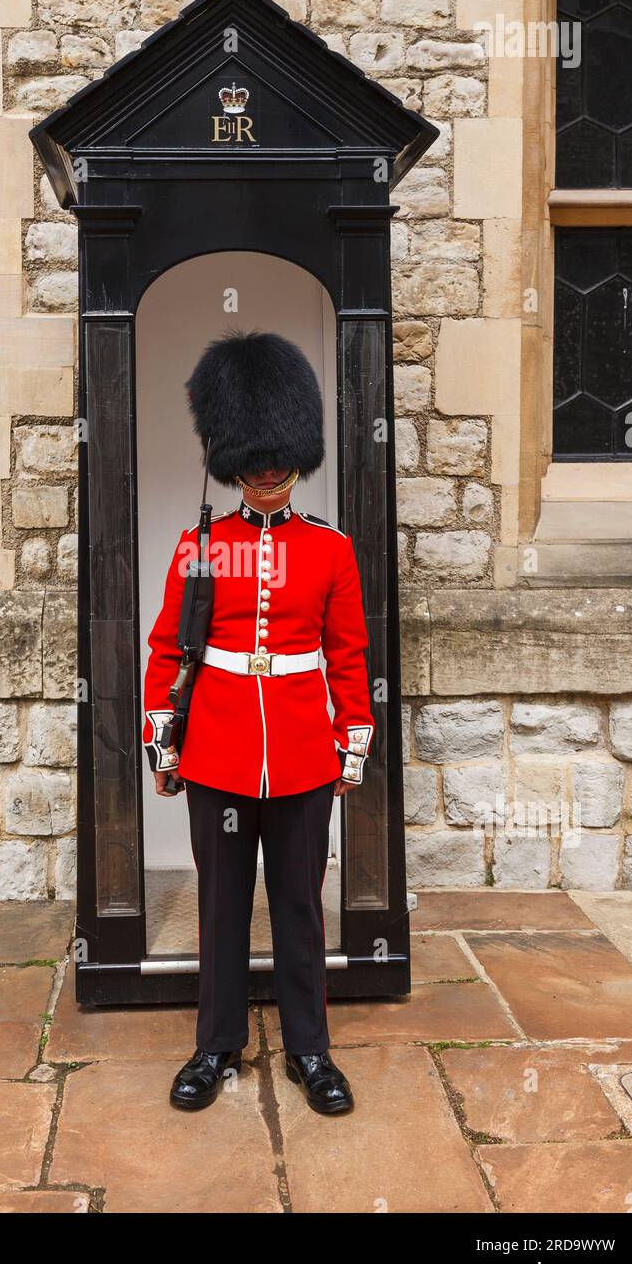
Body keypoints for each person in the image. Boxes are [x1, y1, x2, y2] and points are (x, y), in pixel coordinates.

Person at [142, 330, 374, 1115]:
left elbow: (346, 657)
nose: (269, 474)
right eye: (256, 461)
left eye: (280, 461)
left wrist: (353, 741)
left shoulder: (330, 550)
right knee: (222, 905)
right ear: (234, 460)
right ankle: (216, 1045)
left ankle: (311, 1048)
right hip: (219, 754)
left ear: (296, 456)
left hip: (306, 754)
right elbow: (168, 649)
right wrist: (163, 740)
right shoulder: (198, 546)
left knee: (303, 905)